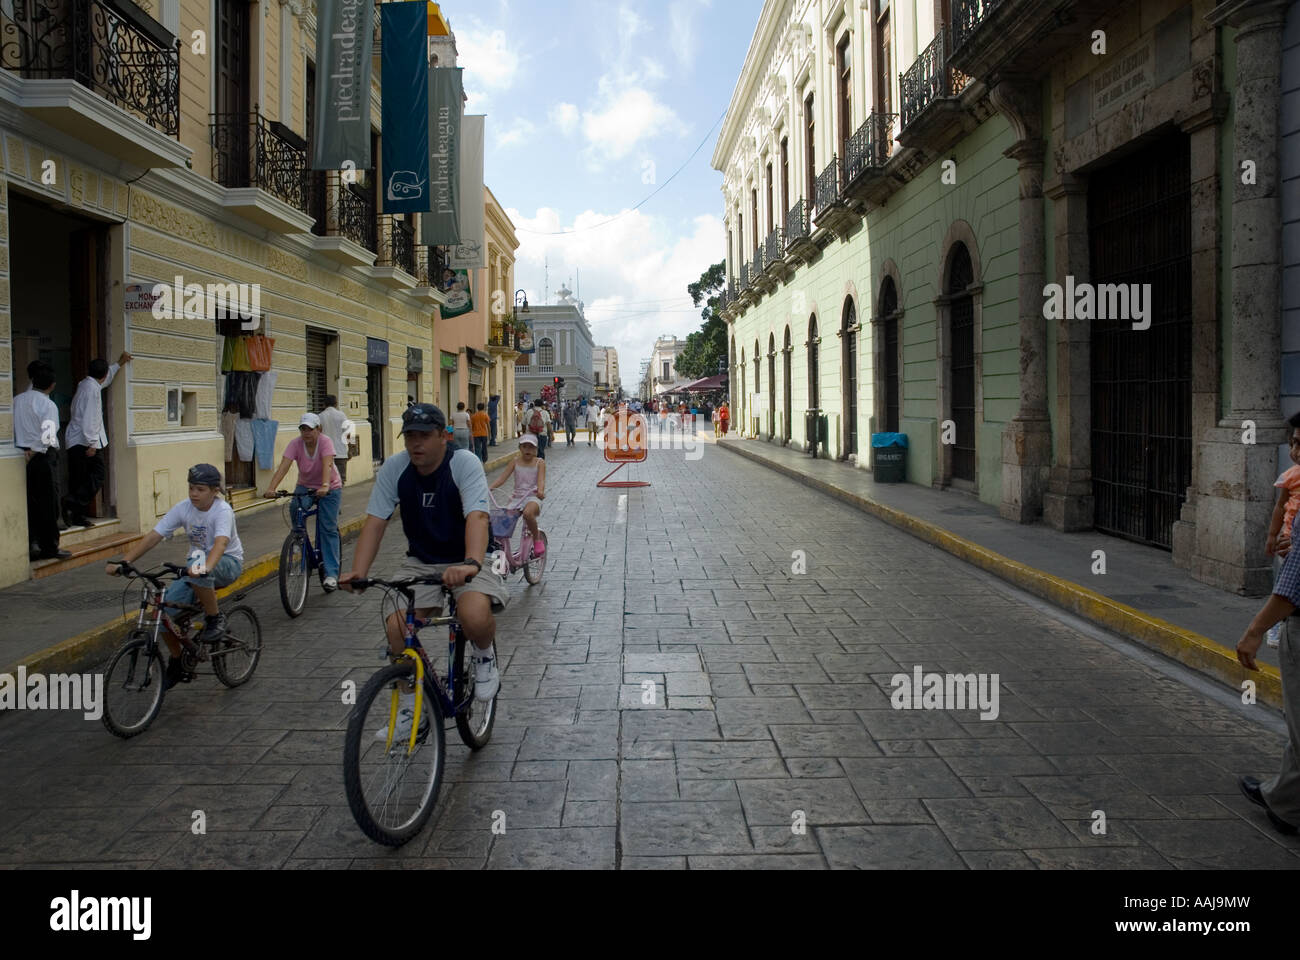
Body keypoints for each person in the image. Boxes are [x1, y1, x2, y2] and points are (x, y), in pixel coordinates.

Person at [340, 404, 510, 738]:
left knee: (472, 614)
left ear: (443, 436)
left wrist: (472, 564)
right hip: (422, 560)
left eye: (425, 436)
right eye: (411, 437)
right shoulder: (396, 469)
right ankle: (411, 706)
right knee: (396, 627)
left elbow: (477, 516)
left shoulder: (463, 463)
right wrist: (358, 572)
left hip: (470, 555)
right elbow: (376, 521)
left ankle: (484, 655)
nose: (417, 444)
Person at [107, 464, 243, 686]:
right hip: (195, 569)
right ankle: (178, 660)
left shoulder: (222, 511)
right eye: (191, 488)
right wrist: (125, 562)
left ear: (214, 490)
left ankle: (214, 618)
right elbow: (154, 536)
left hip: (227, 563)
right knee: (163, 614)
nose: (193, 494)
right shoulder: (183, 508)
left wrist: (206, 567)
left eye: (200, 489)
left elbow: (221, 544)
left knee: (196, 563)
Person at [263, 413, 343, 591]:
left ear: (318, 429)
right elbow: (284, 466)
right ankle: (298, 540)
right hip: (305, 486)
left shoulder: (325, 442)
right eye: (303, 429)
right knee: (294, 507)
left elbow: (327, 464)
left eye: (310, 429)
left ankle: (331, 573)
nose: (306, 433)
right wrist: (271, 488)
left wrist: (324, 485)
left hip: (330, 487)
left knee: (327, 528)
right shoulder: (295, 444)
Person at [63, 351, 132, 528]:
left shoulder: (86, 383)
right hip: (85, 442)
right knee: (98, 475)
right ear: (102, 375)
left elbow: (105, 378)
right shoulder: (92, 390)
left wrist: (119, 363)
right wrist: (92, 444)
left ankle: (76, 514)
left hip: (78, 440)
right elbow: (89, 418)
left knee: (80, 478)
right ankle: (71, 503)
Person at [16, 361, 69, 561]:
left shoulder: (17, 400)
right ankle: (50, 547)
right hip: (42, 457)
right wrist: (36, 450)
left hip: (21, 454)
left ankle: (32, 543)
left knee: (30, 502)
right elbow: (47, 437)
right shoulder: (48, 404)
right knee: (49, 504)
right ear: (52, 385)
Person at [489, 434, 546, 556]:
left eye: (531, 447)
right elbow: (502, 478)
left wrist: (540, 491)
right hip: (517, 498)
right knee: (503, 521)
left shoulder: (539, 462)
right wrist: (490, 488)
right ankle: (502, 548)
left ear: (536, 449)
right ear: (520, 448)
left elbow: (541, 480)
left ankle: (537, 538)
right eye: (524, 447)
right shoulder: (515, 462)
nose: (527, 450)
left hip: (533, 497)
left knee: (528, 513)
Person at [320, 395, 352, 485]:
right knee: (340, 481)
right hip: (340, 453)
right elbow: (348, 433)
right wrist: (350, 449)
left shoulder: (320, 417)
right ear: (336, 404)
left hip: (325, 455)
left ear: (324, 404)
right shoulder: (342, 415)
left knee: (325, 481)